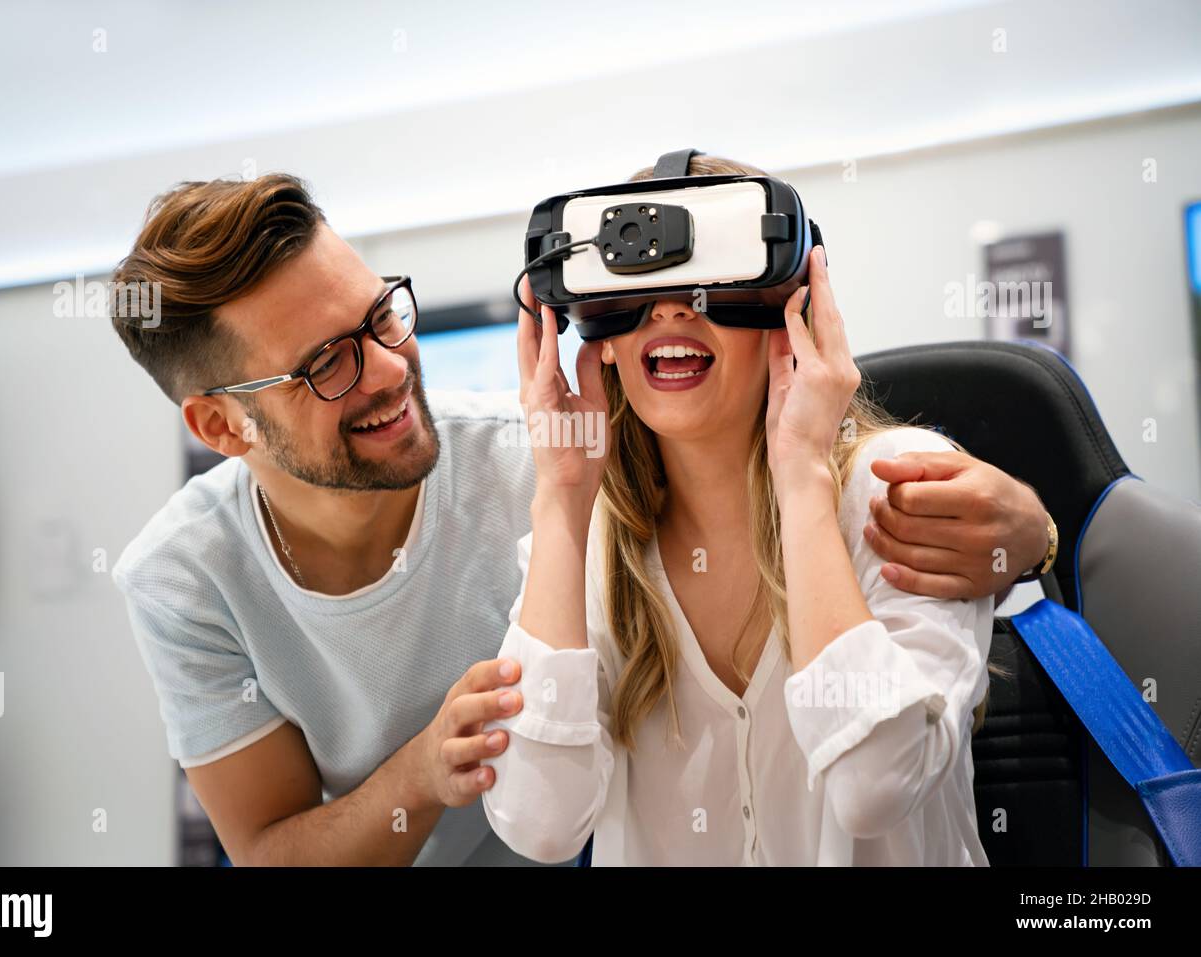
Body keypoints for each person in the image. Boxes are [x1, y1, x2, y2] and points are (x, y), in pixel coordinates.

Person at [109, 170, 1050, 865]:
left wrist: (1035, 530)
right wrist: (426, 769)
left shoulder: (585, 463)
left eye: (384, 318)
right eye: (326, 365)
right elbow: (278, 851)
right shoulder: (580, 495)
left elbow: (875, 775)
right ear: (219, 425)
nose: (393, 370)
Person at [483, 155, 1009, 866]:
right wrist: (563, 500)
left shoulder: (899, 488)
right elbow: (540, 826)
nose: (671, 308)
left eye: (710, 280)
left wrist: (803, 483)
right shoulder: (585, 541)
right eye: (640, 285)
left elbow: (873, 785)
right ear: (601, 340)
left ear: (793, 308)